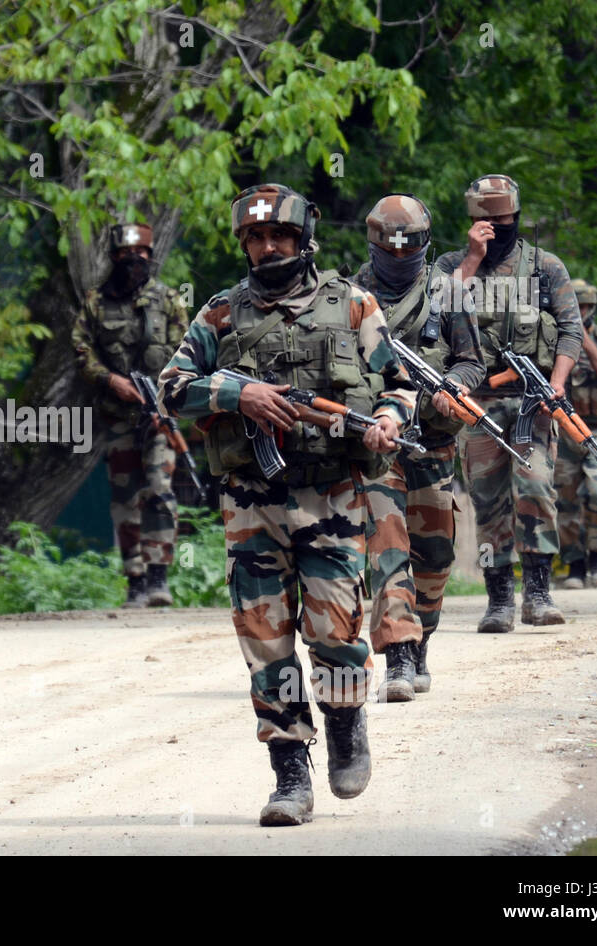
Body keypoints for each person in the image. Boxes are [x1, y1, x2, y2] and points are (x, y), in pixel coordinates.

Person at [158, 184, 416, 826]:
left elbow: (401, 386)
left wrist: (386, 418)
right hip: (250, 505)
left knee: (334, 634)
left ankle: (345, 721)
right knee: (265, 640)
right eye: (256, 237)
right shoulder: (220, 315)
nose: (268, 247)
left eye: (280, 237)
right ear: (244, 244)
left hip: (330, 497)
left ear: (303, 240)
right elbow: (169, 390)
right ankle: (288, 775)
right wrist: (233, 395)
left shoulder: (353, 307)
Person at [432, 175, 583, 631]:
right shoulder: (452, 264)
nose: (496, 227)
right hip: (475, 401)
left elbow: (571, 329)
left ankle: (538, 593)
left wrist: (555, 383)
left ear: (516, 217)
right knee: (487, 498)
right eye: (486, 221)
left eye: (504, 220)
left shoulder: (545, 267)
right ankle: (499, 599)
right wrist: (474, 259)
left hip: (532, 401)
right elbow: (434, 311)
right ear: (473, 222)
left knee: (536, 488)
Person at [356, 195, 486, 701]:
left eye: (409, 251)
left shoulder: (449, 294)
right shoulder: (349, 295)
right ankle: (400, 655)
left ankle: (422, 638)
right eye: (390, 252)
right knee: (388, 545)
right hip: (376, 444)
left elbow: (472, 361)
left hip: (432, 441)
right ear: (374, 246)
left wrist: (452, 386)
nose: (399, 259)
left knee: (435, 554)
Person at [72, 222, 189, 607]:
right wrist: (109, 380)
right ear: (114, 257)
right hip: (117, 416)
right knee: (124, 497)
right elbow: (81, 350)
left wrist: (165, 404)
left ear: (150, 257)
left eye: (140, 254)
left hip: (158, 416)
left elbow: (186, 356)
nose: (133, 261)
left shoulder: (169, 301)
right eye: (125, 254)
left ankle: (159, 577)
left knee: (159, 489)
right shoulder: (95, 303)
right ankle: (134, 580)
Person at [555, 279, 597, 589]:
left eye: (584, 307)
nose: (579, 312)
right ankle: (574, 563)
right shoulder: (554, 337)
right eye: (575, 307)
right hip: (566, 429)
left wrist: (584, 341)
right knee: (565, 497)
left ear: (592, 309)